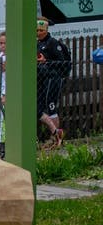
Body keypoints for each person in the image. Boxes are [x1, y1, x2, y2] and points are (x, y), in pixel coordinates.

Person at [36, 17, 71, 148]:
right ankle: (55, 134)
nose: (38, 33)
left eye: (41, 30)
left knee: (50, 106)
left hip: (53, 78)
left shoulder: (53, 43)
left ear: (46, 30)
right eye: (36, 30)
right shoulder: (37, 43)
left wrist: (46, 61)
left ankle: (56, 140)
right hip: (42, 79)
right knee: (39, 108)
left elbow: (63, 62)